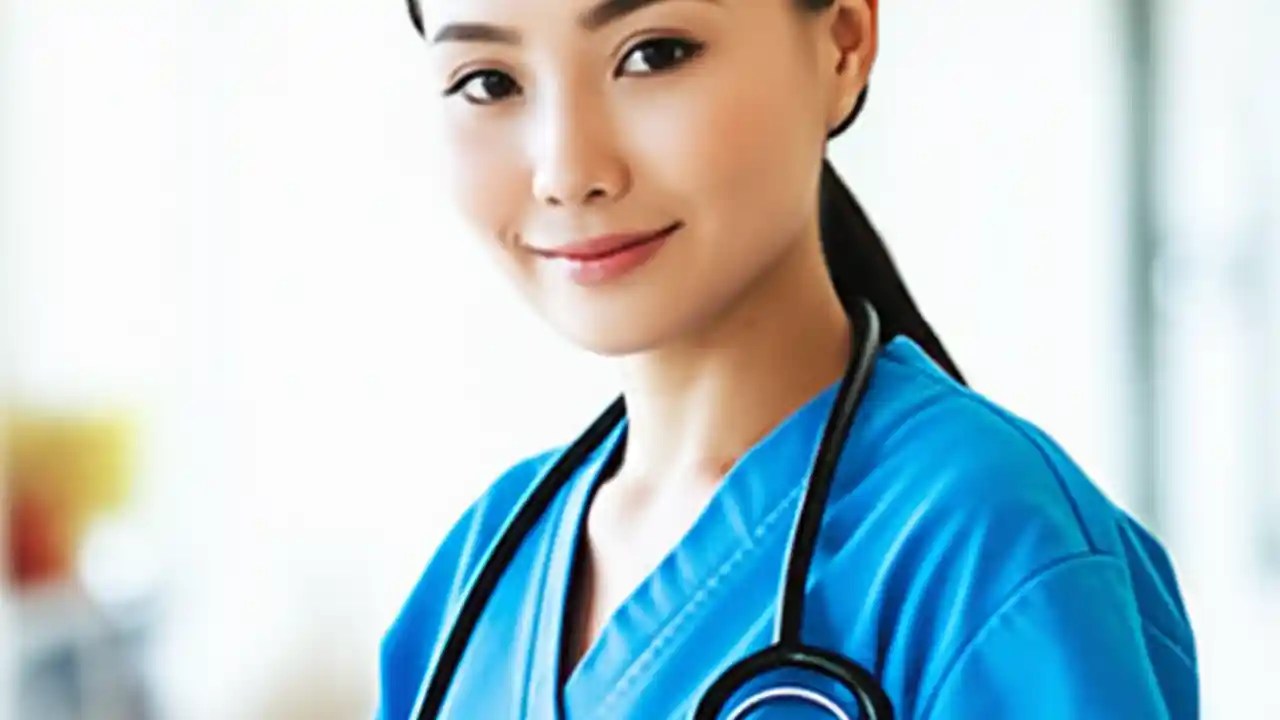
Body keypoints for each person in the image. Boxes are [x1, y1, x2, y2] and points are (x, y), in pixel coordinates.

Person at [377, 0, 1199, 717]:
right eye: (488, 81)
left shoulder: (987, 544)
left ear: (843, 44)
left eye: (654, 53)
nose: (568, 171)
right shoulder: (480, 572)